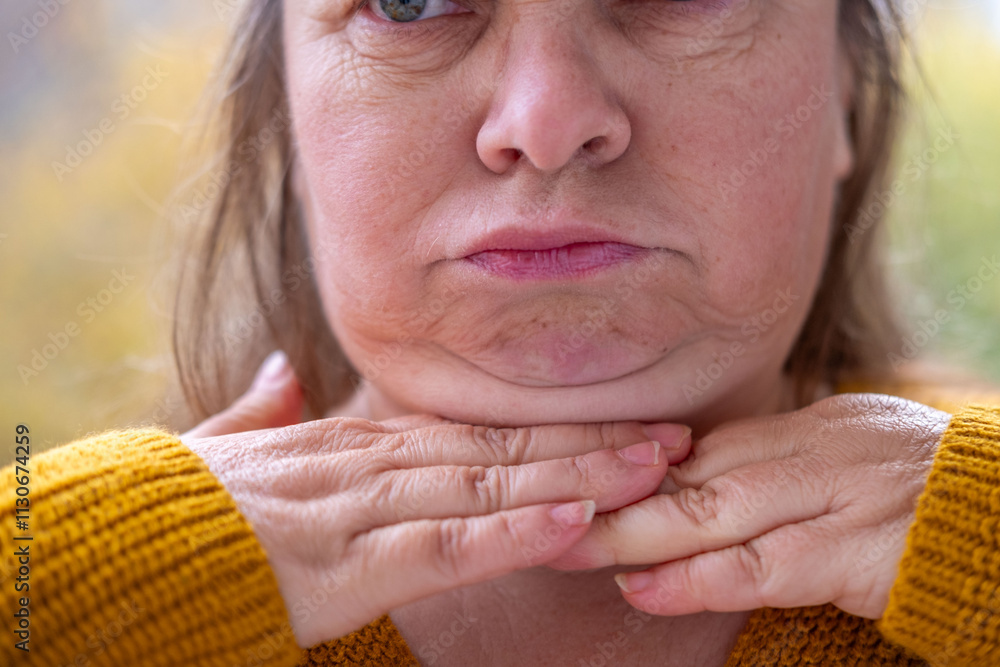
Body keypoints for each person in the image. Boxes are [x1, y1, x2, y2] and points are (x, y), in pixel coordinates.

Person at [2, 0, 999, 665]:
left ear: (847, 98)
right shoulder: (66, 598)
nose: (546, 118)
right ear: (290, 121)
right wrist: (54, 582)